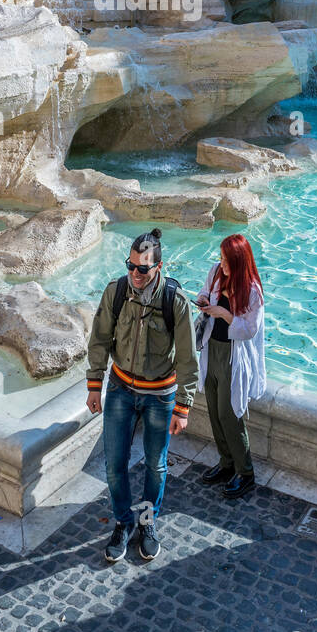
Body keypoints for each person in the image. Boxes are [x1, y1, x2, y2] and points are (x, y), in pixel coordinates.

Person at [86, 228, 197, 564]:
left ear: (158, 268)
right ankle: (123, 521)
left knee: (156, 465)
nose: (135, 273)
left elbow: (188, 358)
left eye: (143, 268)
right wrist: (95, 383)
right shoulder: (116, 291)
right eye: (131, 265)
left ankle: (147, 524)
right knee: (114, 465)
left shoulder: (175, 302)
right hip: (120, 389)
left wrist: (184, 406)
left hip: (160, 397)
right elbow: (100, 338)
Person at [195, 233, 266, 499]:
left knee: (230, 413)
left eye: (226, 260)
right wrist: (204, 301)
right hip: (212, 348)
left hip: (233, 357)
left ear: (238, 262)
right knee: (213, 409)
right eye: (221, 258)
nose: (221, 263)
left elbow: (250, 329)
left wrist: (224, 313)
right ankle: (226, 464)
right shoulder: (215, 272)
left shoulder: (251, 290)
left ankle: (245, 472)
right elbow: (204, 292)